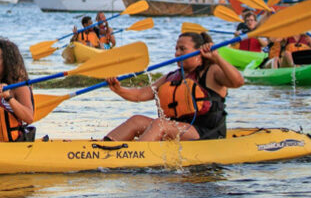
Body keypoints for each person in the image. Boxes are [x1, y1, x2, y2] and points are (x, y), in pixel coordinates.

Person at [103, 32, 243, 141]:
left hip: (208, 132)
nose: (177, 53)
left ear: (198, 53)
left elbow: (238, 82)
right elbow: (141, 94)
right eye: (176, 49)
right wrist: (118, 89)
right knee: (136, 120)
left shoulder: (212, 71)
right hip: (178, 129)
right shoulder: (172, 76)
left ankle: (135, 156)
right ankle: (101, 149)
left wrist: (217, 58)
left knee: (160, 124)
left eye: (182, 49)